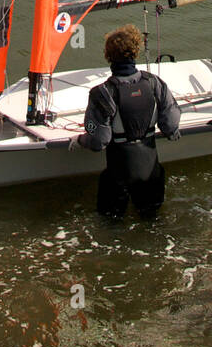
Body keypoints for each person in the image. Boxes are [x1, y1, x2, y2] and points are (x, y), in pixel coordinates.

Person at [71, 24, 181, 218]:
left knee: (110, 227)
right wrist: (172, 132)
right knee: (151, 223)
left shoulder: (101, 93)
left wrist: (79, 140)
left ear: (108, 55)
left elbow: (98, 141)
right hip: (151, 175)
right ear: (136, 51)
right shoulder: (155, 83)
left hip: (118, 178)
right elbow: (171, 126)